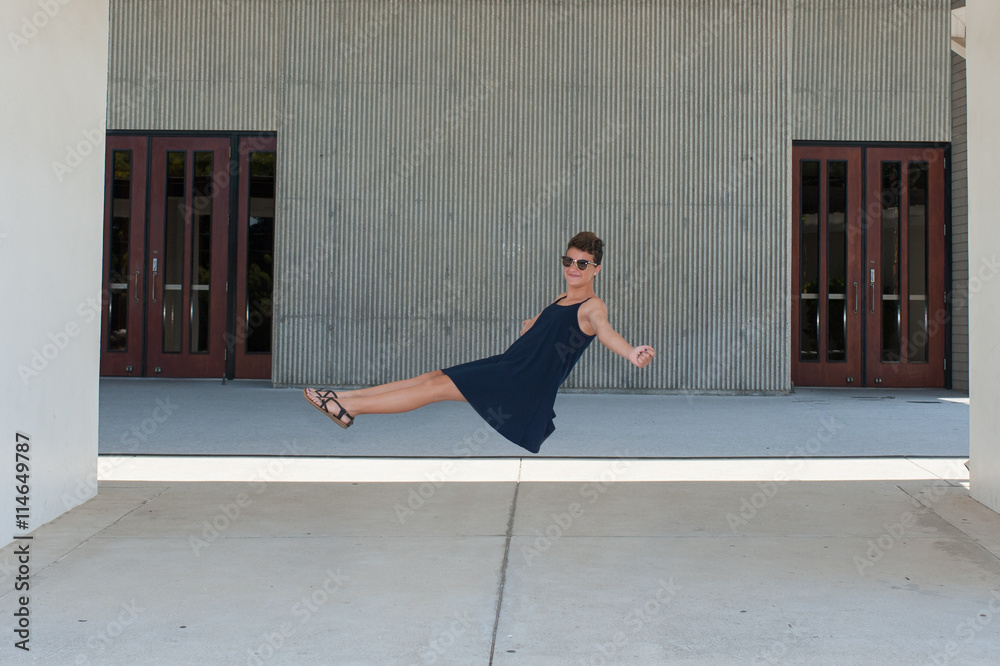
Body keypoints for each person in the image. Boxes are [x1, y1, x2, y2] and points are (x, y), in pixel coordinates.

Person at [304, 231, 655, 453]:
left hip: (520, 383)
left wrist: (630, 352)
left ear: (596, 269)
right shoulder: (561, 299)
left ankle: (352, 408)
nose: (573, 267)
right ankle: (342, 399)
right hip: (508, 366)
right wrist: (533, 324)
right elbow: (545, 329)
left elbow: (605, 331)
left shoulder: (593, 306)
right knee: (432, 378)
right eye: (568, 260)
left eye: (582, 263)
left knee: (434, 389)